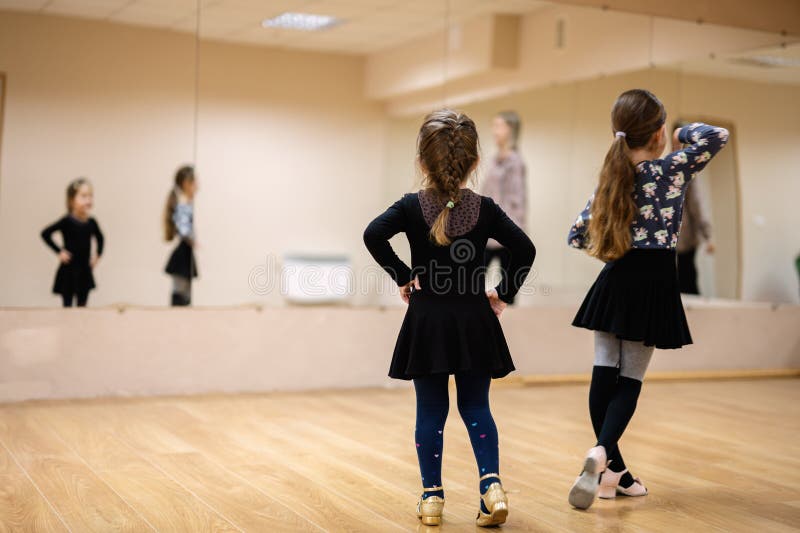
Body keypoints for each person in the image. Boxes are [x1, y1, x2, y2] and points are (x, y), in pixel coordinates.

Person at [363, 109, 535, 527]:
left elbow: (372, 235)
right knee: (477, 406)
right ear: (474, 163)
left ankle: (432, 497)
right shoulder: (486, 207)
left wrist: (404, 277)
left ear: (422, 162)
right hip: (476, 320)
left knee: (431, 410)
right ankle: (491, 486)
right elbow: (524, 250)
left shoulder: (409, 207)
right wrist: (503, 293)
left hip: (428, 322)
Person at [566, 89, 729, 510]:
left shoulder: (612, 179)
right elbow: (717, 136)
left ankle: (612, 476)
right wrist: (681, 130)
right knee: (630, 380)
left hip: (615, 280)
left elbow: (576, 234)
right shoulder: (672, 169)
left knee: (604, 374)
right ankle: (603, 452)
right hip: (654, 281)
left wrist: (615, 238)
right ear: (658, 134)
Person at [481, 111, 527, 304]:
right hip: (486, 232)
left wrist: (512, 234)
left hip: (505, 234)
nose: (494, 130)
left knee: (507, 290)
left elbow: (517, 201)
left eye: (498, 126)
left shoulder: (515, 162)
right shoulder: (492, 160)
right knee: (471, 279)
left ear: (510, 130)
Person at [41, 178, 104, 307]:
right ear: (71, 200)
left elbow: (100, 238)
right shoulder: (67, 221)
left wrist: (97, 255)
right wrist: (59, 251)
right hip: (69, 270)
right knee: (68, 304)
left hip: (84, 269)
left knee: (82, 303)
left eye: (90, 196)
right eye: (83, 196)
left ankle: (81, 326)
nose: (88, 200)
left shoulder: (91, 222)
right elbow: (45, 233)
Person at [164, 165, 198, 306]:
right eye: (195, 182)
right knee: (181, 295)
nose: (198, 186)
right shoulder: (183, 203)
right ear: (186, 184)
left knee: (183, 294)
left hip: (185, 252)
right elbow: (184, 229)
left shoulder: (184, 202)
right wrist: (192, 239)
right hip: (182, 255)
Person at [676, 181, 714, 294]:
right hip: (679, 236)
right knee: (686, 276)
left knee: (685, 276)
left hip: (683, 236)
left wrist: (707, 235)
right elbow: (696, 206)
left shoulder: (686, 175)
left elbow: (695, 206)